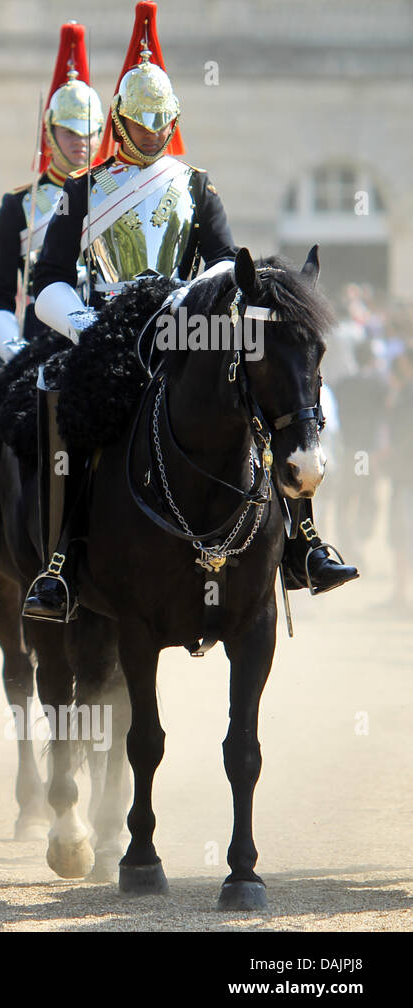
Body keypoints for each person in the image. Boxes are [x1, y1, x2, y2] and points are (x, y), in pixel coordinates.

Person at [24, 0, 357, 622]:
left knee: (265, 397)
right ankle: (61, 563)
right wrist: (86, 325)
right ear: (118, 122)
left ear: (173, 120)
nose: (151, 135)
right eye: (139, 124)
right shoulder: (81, 191)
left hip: (187, 326)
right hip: (111, 330)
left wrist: (204, 300)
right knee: (59, 407)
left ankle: (302, 544)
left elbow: (227, 264)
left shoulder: (197, 185)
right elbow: (47, 283)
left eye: (161, 124)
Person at [0, 21, 103, 624]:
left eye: (91, 130)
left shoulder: (117, 196)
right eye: (69, 130)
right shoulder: (22, 204)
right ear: (50, 133)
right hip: (39, 347)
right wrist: (10, 346)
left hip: (113, 343)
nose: (82, 141)